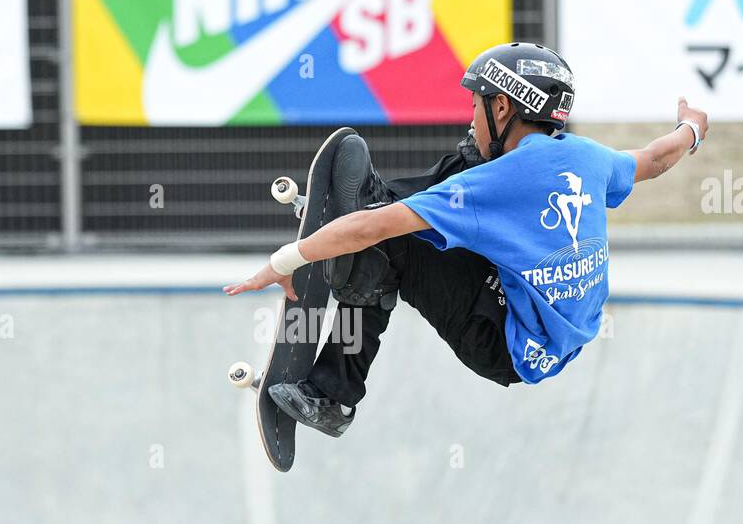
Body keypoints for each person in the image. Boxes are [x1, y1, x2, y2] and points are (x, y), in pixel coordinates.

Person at [225, 42, 709, 437]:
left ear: (502, 106)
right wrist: (691, 129)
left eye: (476, 107)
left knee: (386, 243)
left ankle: (333, 396)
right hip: (552, 332)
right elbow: (656, 158)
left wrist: (285, 261)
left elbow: (374, 230)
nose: (470, 119)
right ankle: (382, 199)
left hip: (503, 342)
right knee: (467, 163)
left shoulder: (499, 183)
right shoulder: (590, 157)